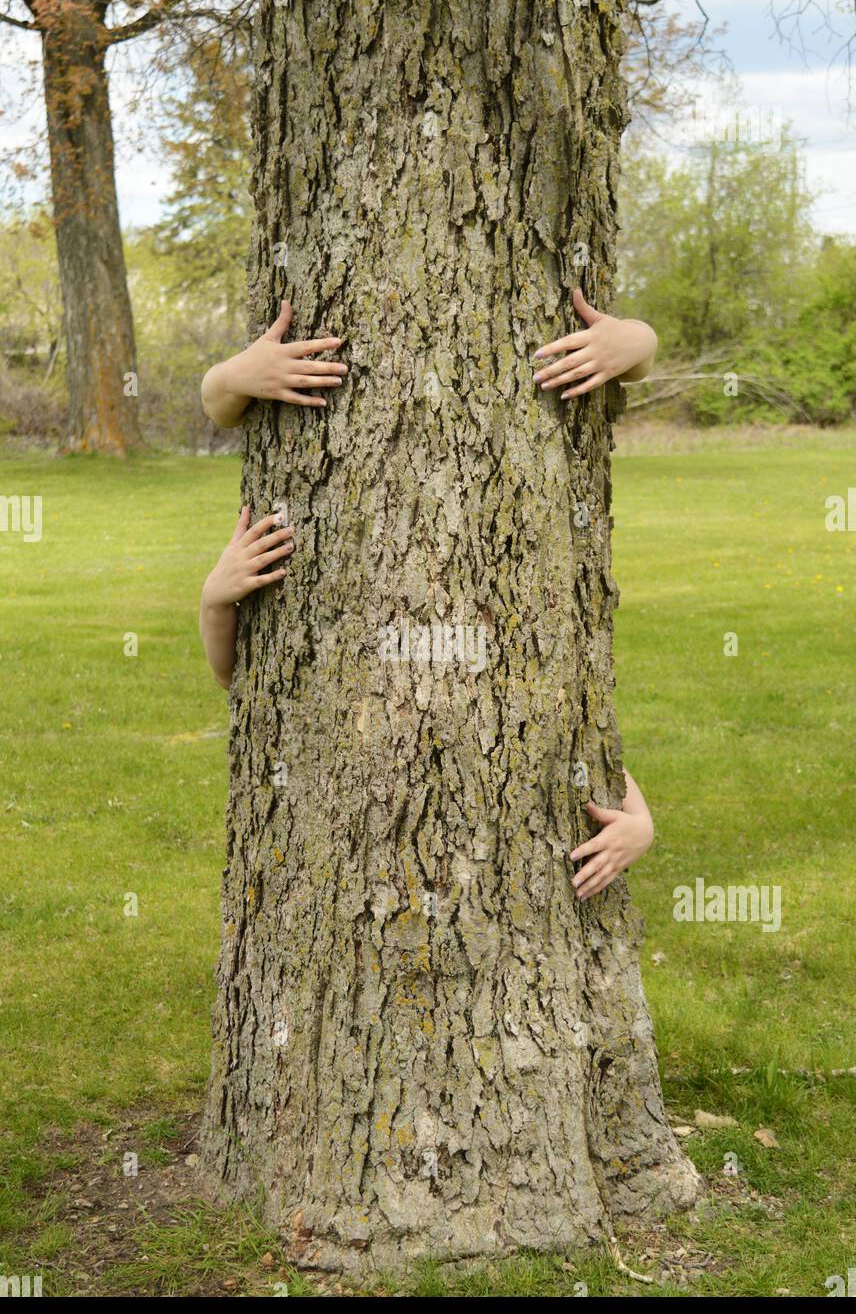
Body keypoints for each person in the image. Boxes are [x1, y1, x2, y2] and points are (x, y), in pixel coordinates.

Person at [198, 288, 658, 895]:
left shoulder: (524, 679)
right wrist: (215, 597)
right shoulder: (330, 683)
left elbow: (583, 734)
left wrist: (637, 342)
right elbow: (241, 677)